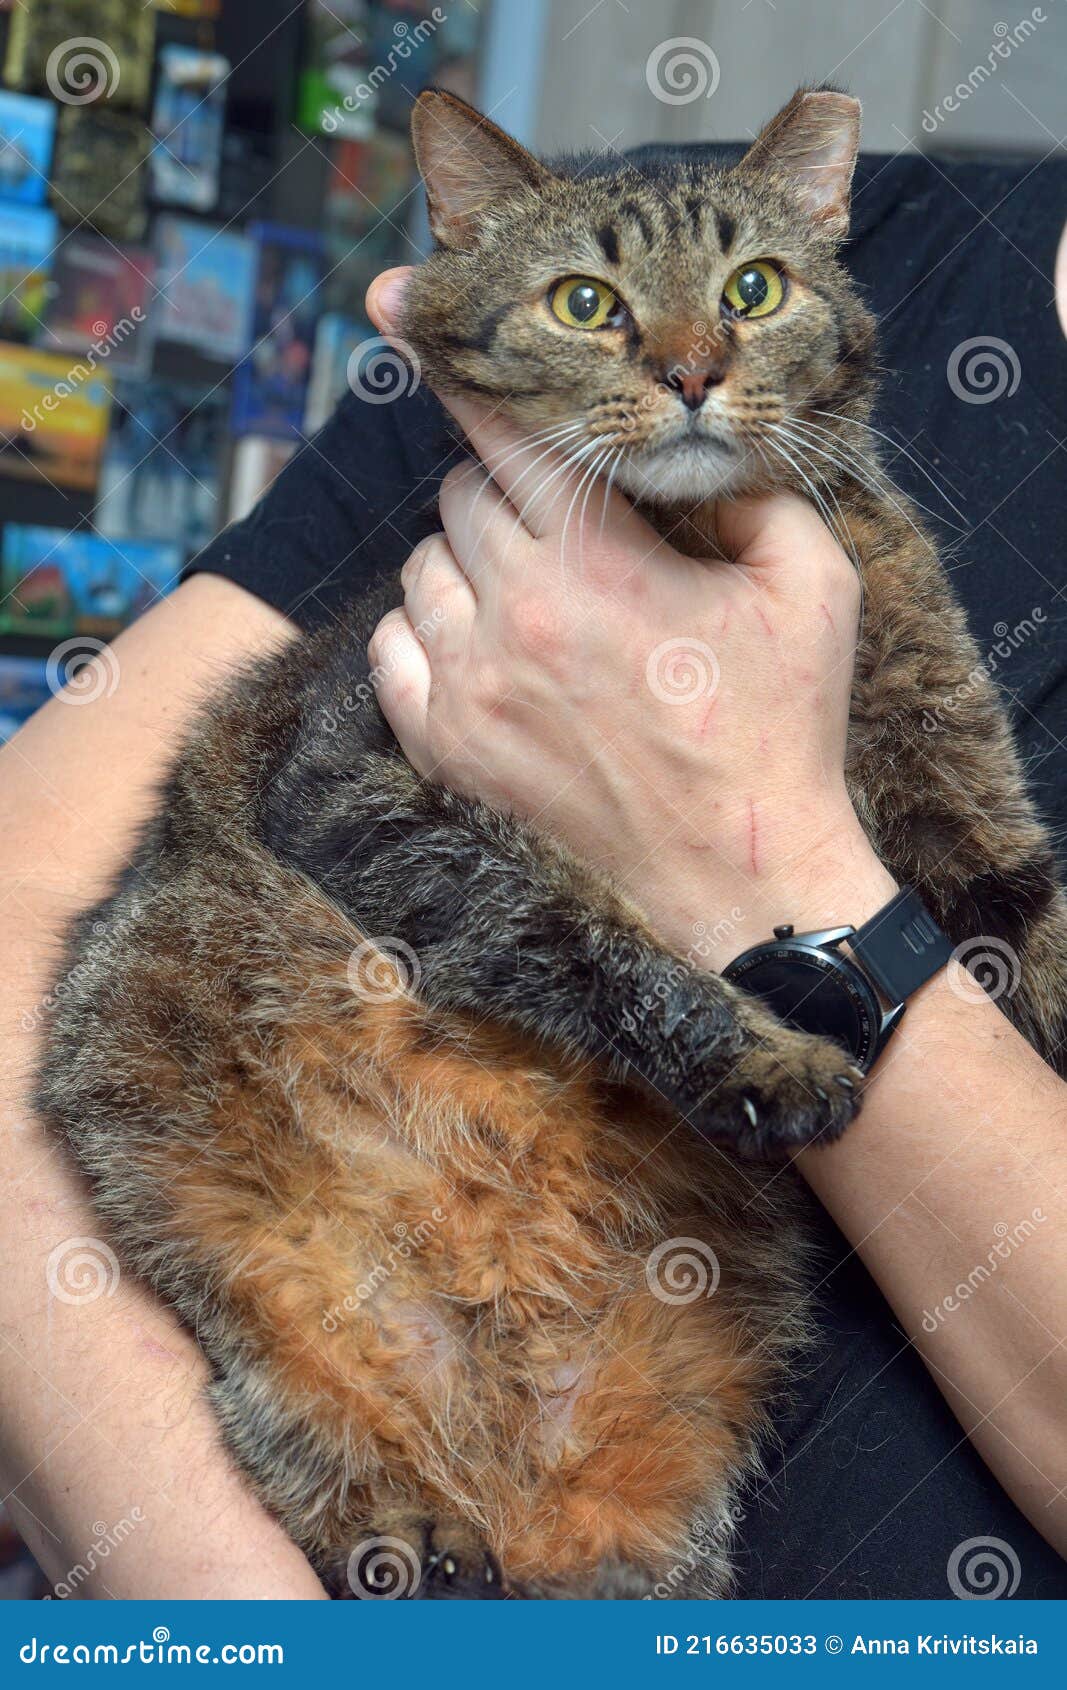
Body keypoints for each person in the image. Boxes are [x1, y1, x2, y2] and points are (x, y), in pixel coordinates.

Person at [0, 146, 1064, 1600]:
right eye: (602, 307)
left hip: (652, 1482)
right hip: (320, 1396)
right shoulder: (727, 249)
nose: (690, 361)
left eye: (750, 300)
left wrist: (766, 870)